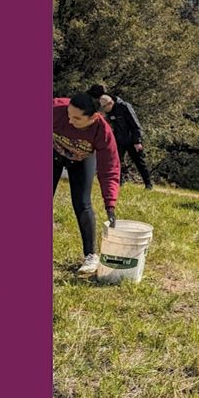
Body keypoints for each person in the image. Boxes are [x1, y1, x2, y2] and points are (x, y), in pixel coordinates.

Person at [53, 93, 120, 276]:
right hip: (52, 153)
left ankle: (90, 255)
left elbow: (109, 168)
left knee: (82, 203)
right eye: (69, 115)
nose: (70, 120)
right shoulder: (55, 109)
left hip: (81, 161)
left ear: (94, 117)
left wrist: (110, 204)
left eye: (77, 118)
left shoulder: (102, 131)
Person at [99, 94, 153, 190]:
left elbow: (135, 124)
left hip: (132, 139)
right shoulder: (110, 111)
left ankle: (148, 184)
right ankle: (119, 183)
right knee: (116, 161)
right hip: (119, 140)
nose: (104, 110)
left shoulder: (124, 107)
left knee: (139, 162)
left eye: (104, 107)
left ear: (110, 103)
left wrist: (137, 141)